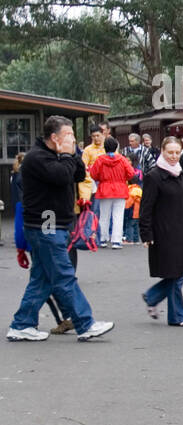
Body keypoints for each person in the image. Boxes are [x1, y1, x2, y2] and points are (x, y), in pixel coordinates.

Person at [7, 115, 113, 342]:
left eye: (73, 135)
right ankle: (86, 324)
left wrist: (71, 154)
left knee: (42, 278)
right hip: (45, 225)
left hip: (55, 224)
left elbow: (77, 174)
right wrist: (66, 154)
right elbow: (61, 176)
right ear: (54, 138)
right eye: (68, 135)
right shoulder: (37, 158)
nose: (73, 139)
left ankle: (22, 324)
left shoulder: (57, 155)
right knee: (64, 275)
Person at [10, 154, 75, 334]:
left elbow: (19, 223)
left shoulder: (21, 185)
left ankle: (29, 320)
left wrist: (20, 248)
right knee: (47, 281)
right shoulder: (47, 182)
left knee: (42, 282)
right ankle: (66, 316)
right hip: (51, 234)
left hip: (35, 238)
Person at [140, 136, 183, 326]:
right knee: (175, 274)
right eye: (169, 152)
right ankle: (178, 317)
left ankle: (152, 296)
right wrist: (146, 234)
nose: (173, 156)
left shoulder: (181, 173)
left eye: (177, 152)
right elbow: (146, 208)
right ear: (162, 152)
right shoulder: (154, 176)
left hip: (182, 232)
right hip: (164, 234)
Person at [89, 136, 134, 249]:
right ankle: (116, 241)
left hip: (105, 189)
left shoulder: (100, 160)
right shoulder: (122, 159)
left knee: (104, 215)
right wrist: (123, 179)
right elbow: (131, 173)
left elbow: (93, 174)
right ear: (116, 147)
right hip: (120, 189)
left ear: (104, 147)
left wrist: (101, 179)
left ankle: (103, 239)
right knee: (118, 216)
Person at [81, 123, 106, 217]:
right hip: (94, 183)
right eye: (93, 136)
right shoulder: (87, 150)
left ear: (103, 134)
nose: (96, 138)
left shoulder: (107, 147)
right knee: (95, 209)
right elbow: (84, 167)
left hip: (106, 181)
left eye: (98, 135)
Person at [123, 172, 143, 244]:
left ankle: (129, 239)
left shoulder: (131, 190)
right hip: (139, 212)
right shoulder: (139, 189)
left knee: (129, 225)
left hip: (132, 211)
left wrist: (125, 207)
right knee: (136, 226)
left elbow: (129, 202)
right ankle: (136, 239)